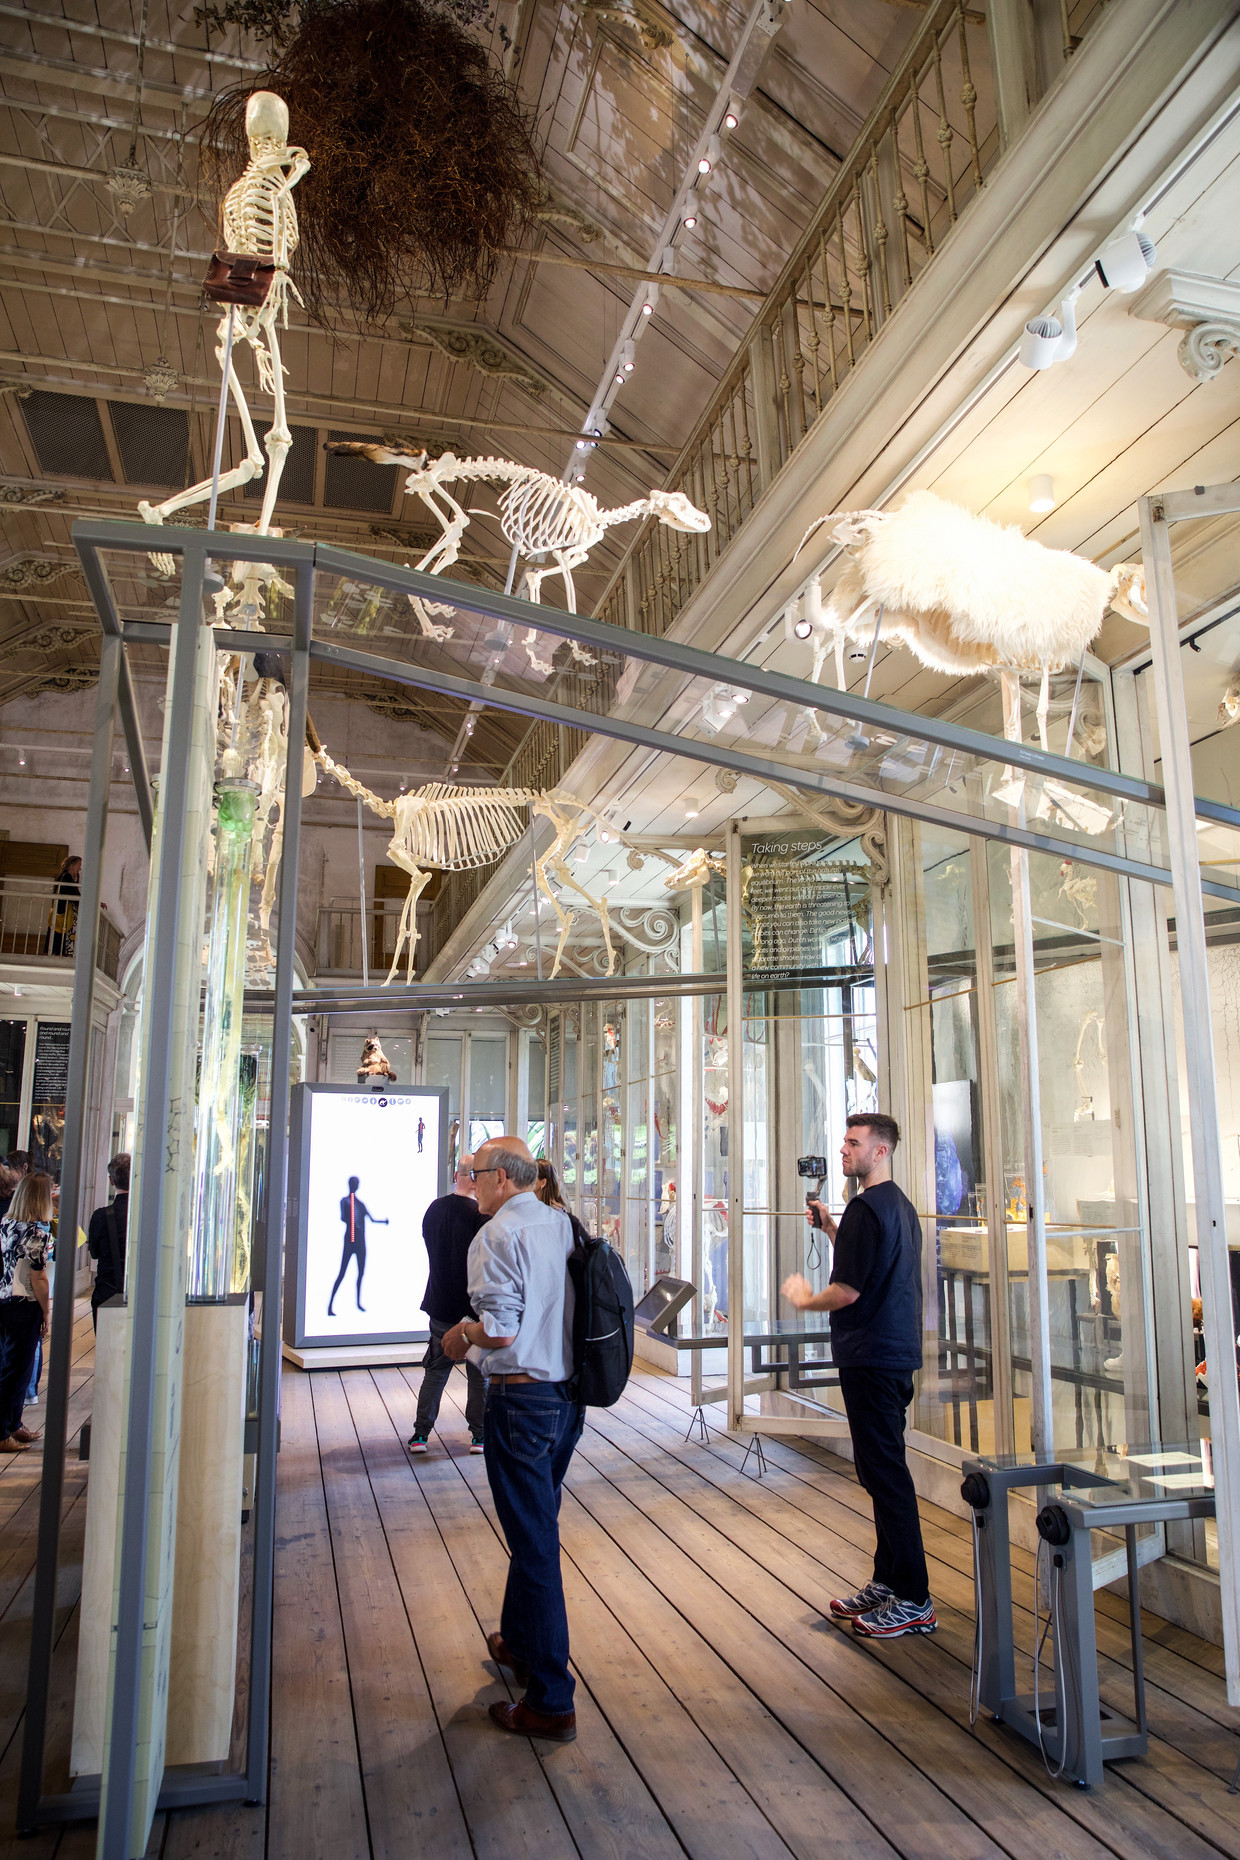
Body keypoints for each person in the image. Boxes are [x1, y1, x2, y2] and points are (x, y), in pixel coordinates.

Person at [442, 1135, 581, 1744]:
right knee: (536, 1527)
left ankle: (551, 1700)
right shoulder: (564, 1225)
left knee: (535, 1545)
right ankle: (520, 1643)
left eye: (475, 1173)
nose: (470, 1182)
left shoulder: (497, 1235)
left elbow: (499, 1330)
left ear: (501, 1178)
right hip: (566, 1402)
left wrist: (460, 1335)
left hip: (521, 1403)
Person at [782, 1112, 934, 1639]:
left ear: (880, 1151)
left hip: (872, 1356)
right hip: (891, 1355)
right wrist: (831, 1227)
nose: (844, 1151)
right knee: (878, 1470)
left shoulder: (868, 1209)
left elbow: (847, 1291)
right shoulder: (897, 1207)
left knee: (885, 1475)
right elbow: (870, 1265)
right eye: (844, 1142)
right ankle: (889, 1581)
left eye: (854, 1143)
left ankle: (914, 1598)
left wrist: (805, 1299)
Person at [408, 1153, 487, 1455]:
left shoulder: (434, 1209)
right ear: (477, 1179)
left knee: (436, 1370)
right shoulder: (479, 1216)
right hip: (472, 1308)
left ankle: (420, 1434)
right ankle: (479, 1436)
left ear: (457, 1175)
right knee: (478, 1374)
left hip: (439, 1302)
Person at [0, 1171, 54, 1452]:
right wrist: (46, 1311)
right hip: (24, 1305)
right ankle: (3, 1432)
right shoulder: (36, 1234)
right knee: (16, 1371)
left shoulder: (7, 1223)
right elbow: (39, 1279)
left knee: (10, 1366)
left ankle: (13, 1424)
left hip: (4, 1299)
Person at [328, 1175, 387, 1315]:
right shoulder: (345, 1201)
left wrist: (383, 1221)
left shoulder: (360, 1204)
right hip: (350, 1240)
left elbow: (371, 1219)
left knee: (361, 1272)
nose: (355, 1186)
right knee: (342, 1272)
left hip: (360, 1241)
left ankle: (358, 1303)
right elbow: (343, 1217)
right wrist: (352, 1222)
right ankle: (330, 1306)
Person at [87, 1153, 130, 1332]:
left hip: (107, 1291)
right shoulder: (147, 1214)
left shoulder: (101, 1216)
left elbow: (95, 1253)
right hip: (140, 1293)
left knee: (106, 1345)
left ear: (112, 1180)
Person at [48, 855, 81, 957]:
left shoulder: (74, 876)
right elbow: (73, 893)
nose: (80, 868)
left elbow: (76, 893)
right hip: (63, 910)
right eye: (79, 865)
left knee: (67, 931)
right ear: (72, 865)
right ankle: (60, 953)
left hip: (69, 911)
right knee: (62, 930)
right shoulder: (66, 876)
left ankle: (64, 952)